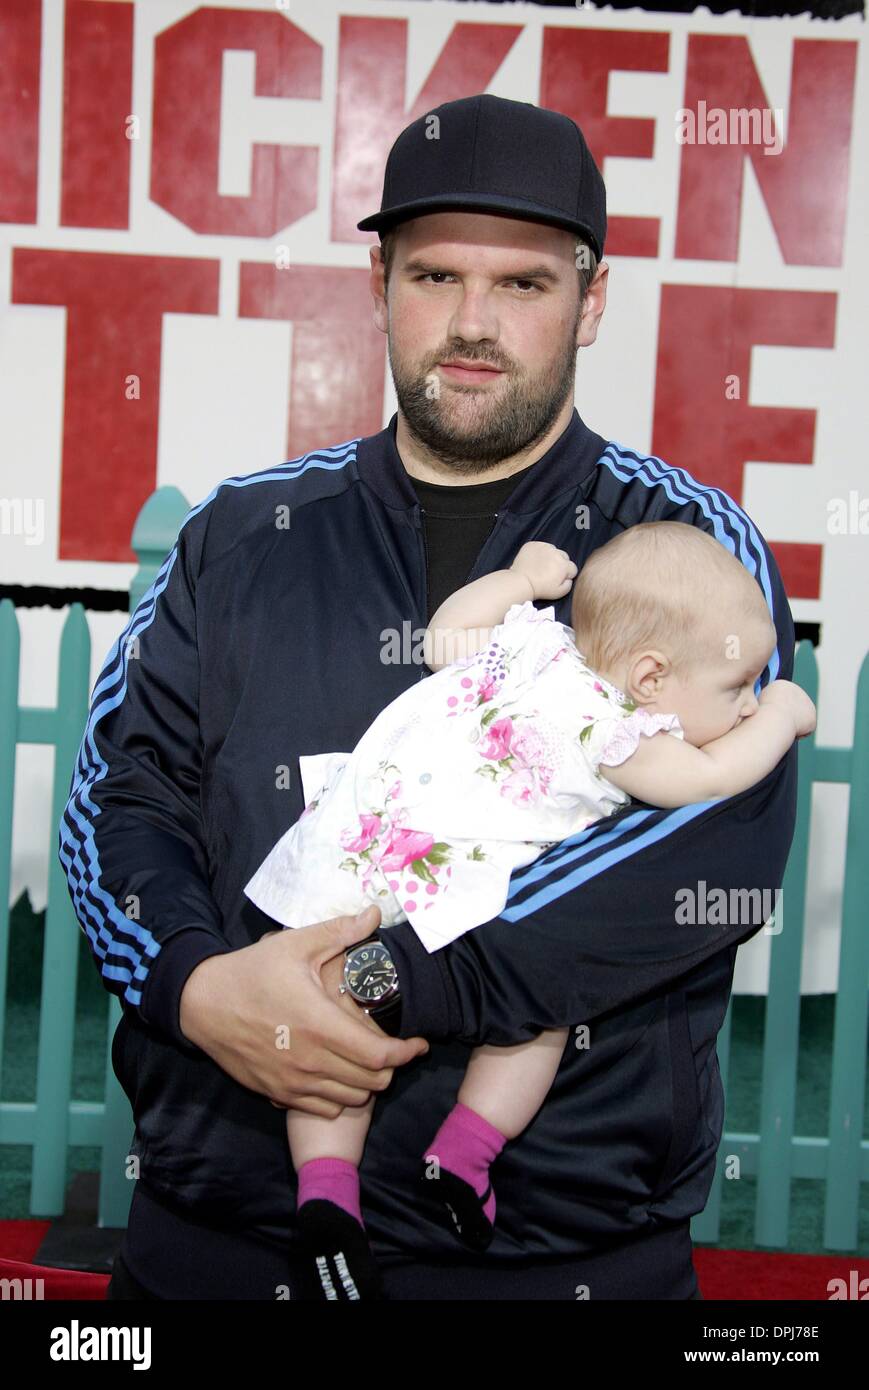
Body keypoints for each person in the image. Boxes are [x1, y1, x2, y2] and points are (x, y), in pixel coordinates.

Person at [59, 93, 799, 1301]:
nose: (469, 323)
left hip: (548, 1259)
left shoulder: (680, 542)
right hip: (223, 1242)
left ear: (591, 298)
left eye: (521, 284)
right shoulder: (239, 533)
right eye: (435, 273)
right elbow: (115, 797)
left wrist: (373, 980)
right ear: (378, 281)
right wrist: (203, 990)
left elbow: (702, 841)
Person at [243, 525, 815, 1297]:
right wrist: (782, 715)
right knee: (539, 1010)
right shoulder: (617, 732)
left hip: (353, 838)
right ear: (650, 675)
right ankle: (467, 1150)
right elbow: (711, 780)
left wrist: (516, 579)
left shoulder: (533, 644)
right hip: (443, 876)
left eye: (752, 691)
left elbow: (444, 635)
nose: (744, 704)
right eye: (735, 686)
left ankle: (325, 1193)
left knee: (330, 1033)